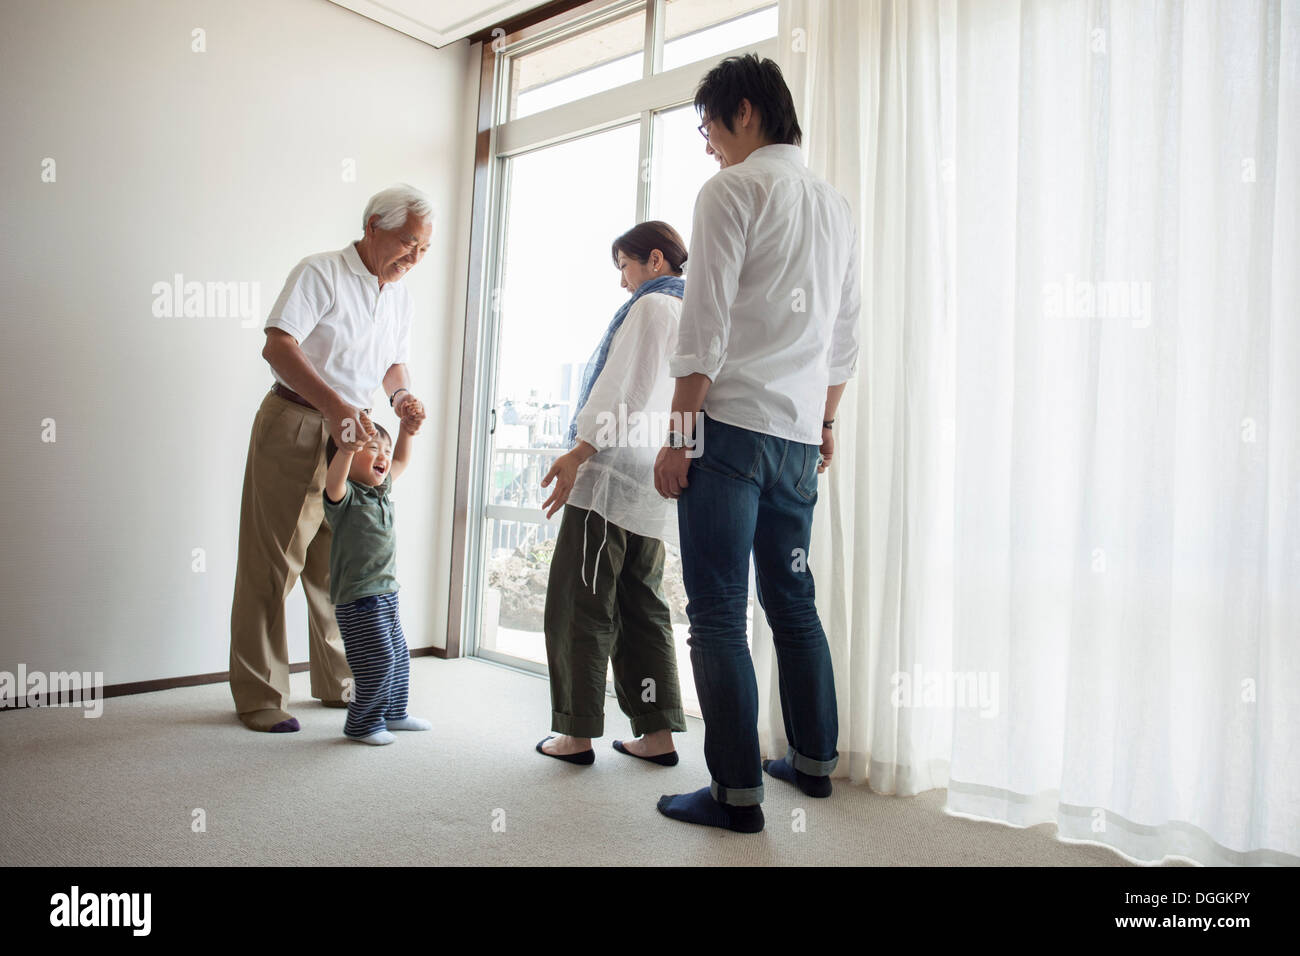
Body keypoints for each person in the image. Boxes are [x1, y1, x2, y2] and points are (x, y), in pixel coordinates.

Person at [653, 55, 862, 832]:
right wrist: (826, 423)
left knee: (715, 612)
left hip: (731, 431)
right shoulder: (836, 206)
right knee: (793, 603)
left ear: (744, 111)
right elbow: (846, 336)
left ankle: (736, 795)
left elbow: (701, 325)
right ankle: (812, 764)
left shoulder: (733, 190)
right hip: (799, 440)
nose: (708, 145)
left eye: (708, 126)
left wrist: (680, 438)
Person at [229, 184, 432, 733]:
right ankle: (261, 696)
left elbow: (392, 364)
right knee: (273, 566)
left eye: (423, 250)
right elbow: (278, 345)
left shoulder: (400, 295)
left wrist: (399, 397)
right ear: (373, 228)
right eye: (408, 244)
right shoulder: (320, 272)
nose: (414, 258)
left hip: (357, 430)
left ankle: (346, 683)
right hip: (297, 421)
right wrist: (336, 405)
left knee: (335, 568)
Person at [534, 221, 691, 766]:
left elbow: (626, 387)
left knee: (580, 603)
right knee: (642, 605)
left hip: (611, 477)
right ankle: (656, 732)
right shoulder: (696, 311)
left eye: (624, 267)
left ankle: (576, 734)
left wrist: (579, 453)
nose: (623, 283)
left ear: (653, 259)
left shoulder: (651, 308)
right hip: (653, 483)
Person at [322, 412, 430, 744]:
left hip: (386, 593)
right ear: (350, 454)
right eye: (372, 448)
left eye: (383, 449)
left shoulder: (380, 492)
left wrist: (405, 431)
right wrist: (346, 447)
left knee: (398, 656)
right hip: (359, 598)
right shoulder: (345, 496)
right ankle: (362, 723)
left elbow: (399, 457)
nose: (383, 455)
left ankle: (394, 713)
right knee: (375, 660)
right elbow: (334, 480)